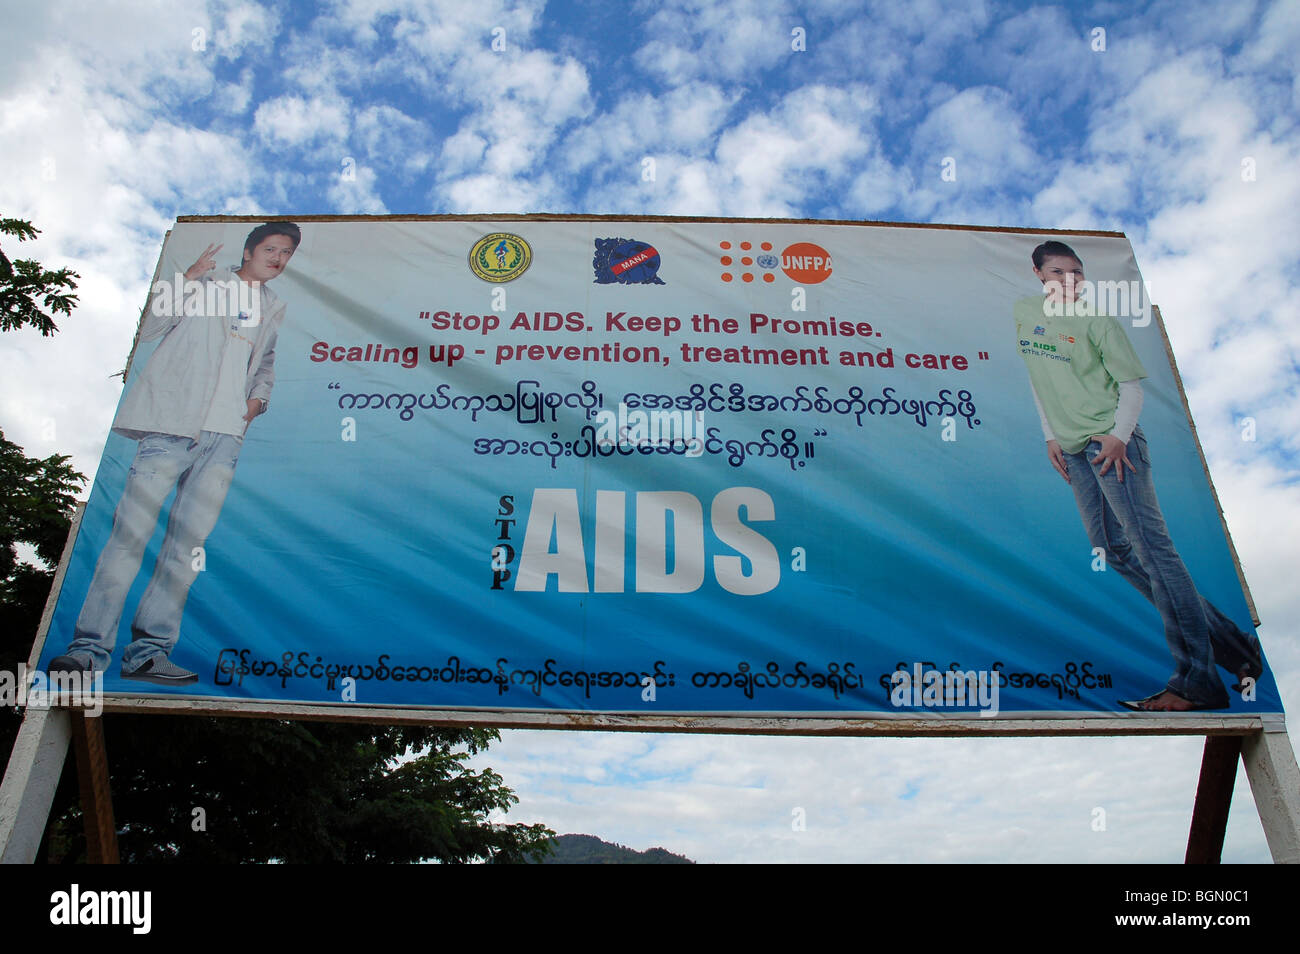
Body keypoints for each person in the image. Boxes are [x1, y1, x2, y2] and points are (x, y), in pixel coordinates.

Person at [1014, 240, 1261, 711]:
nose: (1068, 281)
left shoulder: (1098, 321)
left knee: (1154, 552)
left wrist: (1120, 435)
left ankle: (1197, 682)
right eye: (1057, 272)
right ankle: (1236, 648)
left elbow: (1130, 386)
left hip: (1111, 442)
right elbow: (1038, 374)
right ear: (1038, 274)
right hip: (1072, 447)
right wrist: (1049, 433)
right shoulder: (1025, 313)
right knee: (1112, 551)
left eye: (1076, 273)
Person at [49, 222, 301, 685]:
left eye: (286, 253)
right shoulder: (205, 282)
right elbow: (148, 330)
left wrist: (257, 401)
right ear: (249, 249)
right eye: (271, 248)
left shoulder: (273, 305)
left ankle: (148, 653)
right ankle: (87, 650)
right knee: (129, 538)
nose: (278, 258)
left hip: (225, 439)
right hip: (172, 427)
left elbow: (264, 364)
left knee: (186, 550)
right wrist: (187, 277)